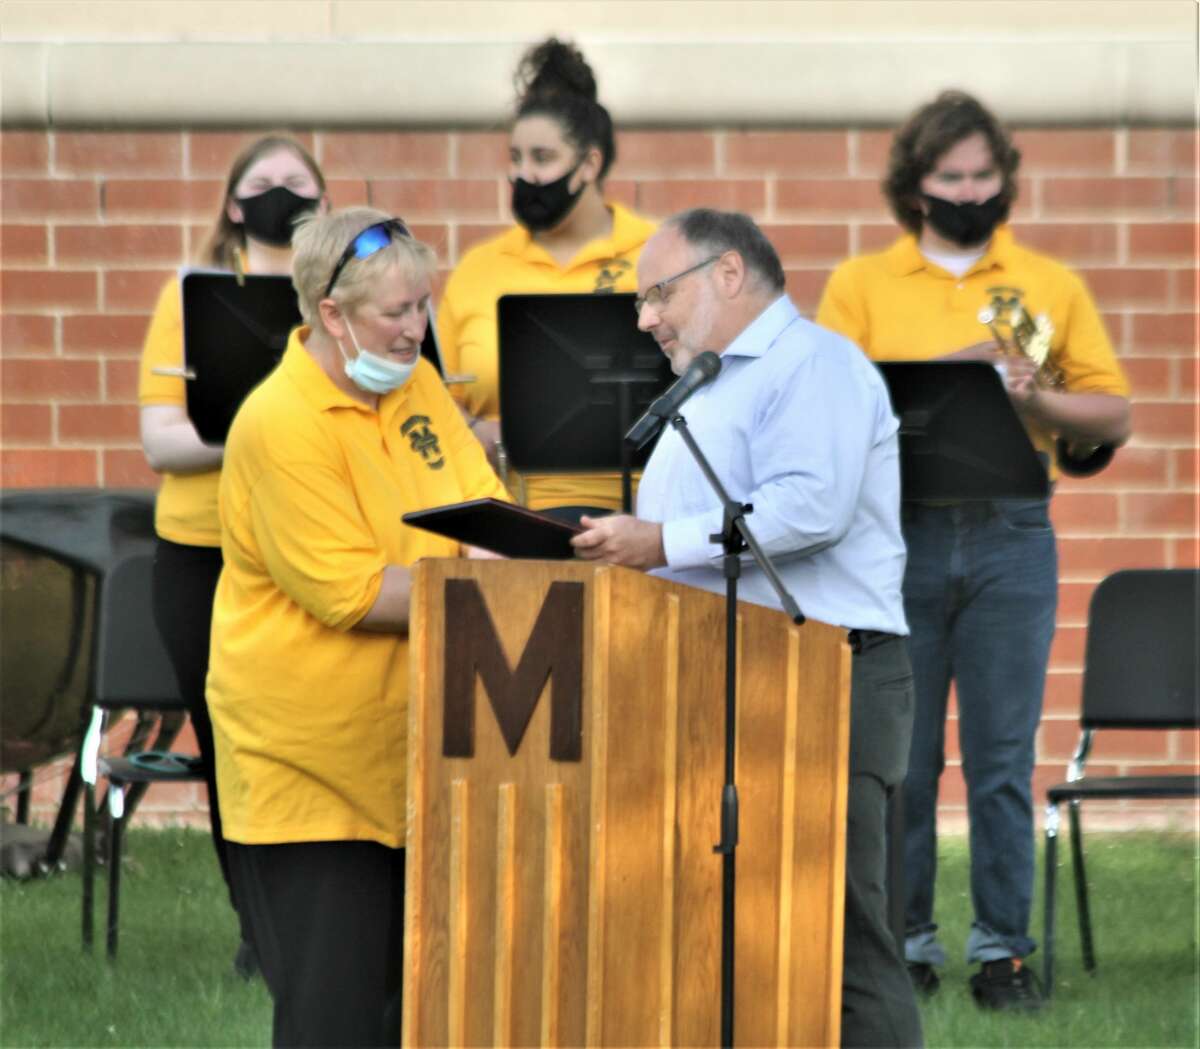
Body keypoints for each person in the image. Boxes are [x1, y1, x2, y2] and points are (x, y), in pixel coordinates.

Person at [572, 209, 924, 1049]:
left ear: (728, 273)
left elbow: (813, 508)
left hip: (827, 678)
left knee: (837, 931)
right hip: (719, 681)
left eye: (658, 294)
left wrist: (656, 541)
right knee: (740, 933)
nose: (645, 318)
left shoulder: (815, 364)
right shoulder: (711, 384)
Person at [817, 90, 1132, 1011]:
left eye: (983, 175)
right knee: (900, 760)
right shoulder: (860, 286)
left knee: (1001, 755)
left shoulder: (1048, 282)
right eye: (949, 176)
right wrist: (958, 368)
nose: (968, 190)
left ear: (1005, 181)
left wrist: (1034, 401)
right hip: (896, 533)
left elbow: (1109, 412)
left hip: (1011, 529)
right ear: (913, 187)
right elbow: (835, 409)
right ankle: (903, 944)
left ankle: (1004, 951)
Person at [206, 207, 508, 1047]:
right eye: (397, 312)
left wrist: (518, 557)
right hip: (311, 774)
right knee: (333, 1019)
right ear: (330, 315)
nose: (417, 329)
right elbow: (353, 592)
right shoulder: (279, 422)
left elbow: (481, 509)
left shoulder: (413, 385)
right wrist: (492, 587)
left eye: (424, 306)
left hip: (422, 758)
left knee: (416, 1011)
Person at [137, 134, 329, 977]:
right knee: (227, 746)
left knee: (305, 740)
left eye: (299, 184)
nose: (282, 195)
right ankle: (259, 930)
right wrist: (264, 434)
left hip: (313, 548)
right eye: (264, 184)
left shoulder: (344, 303)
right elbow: (162, 439)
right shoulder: (188, 296)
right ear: (231, 205)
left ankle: (321, 919)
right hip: (203, 554)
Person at [437, 36, 656, 521]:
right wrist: (474, 430)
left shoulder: (658, 254)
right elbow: (436, 399)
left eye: (542, 158)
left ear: (589, 164)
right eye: (515, 159)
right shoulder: (479, 268)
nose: (524, 175)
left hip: (641, 520)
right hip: (508, 516)